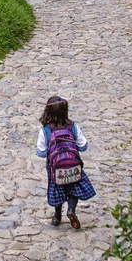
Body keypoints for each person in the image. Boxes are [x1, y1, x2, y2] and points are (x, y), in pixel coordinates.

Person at [36, 96, 95, 228]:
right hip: (73, 165)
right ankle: (71, 210)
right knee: (74, 188)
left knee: (57, 188)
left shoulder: (45, 130)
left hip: (55, 167)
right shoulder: (73, 127)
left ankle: (57, 216)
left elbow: (40, 152)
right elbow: (83, 146)